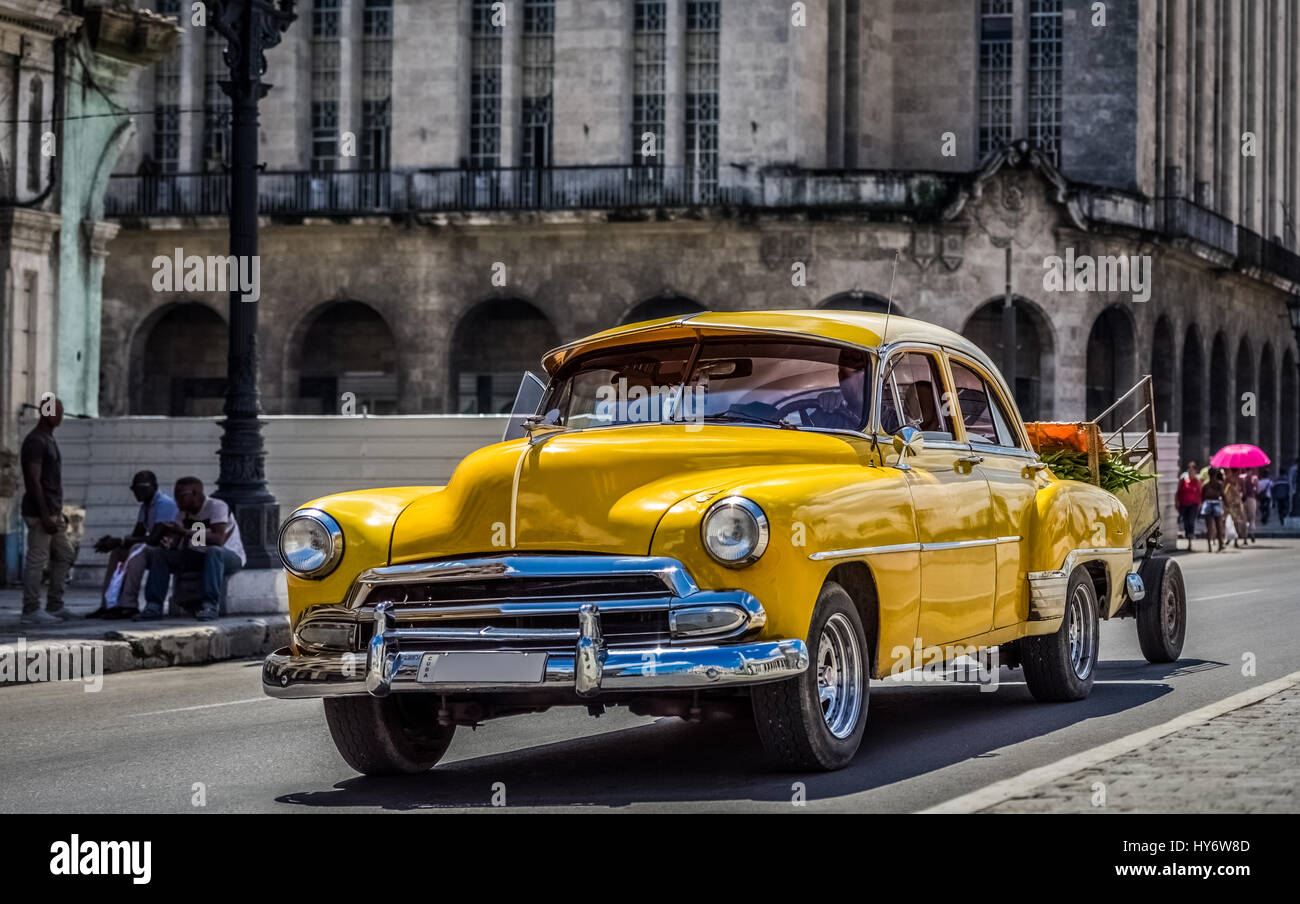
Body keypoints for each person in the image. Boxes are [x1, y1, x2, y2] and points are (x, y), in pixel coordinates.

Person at [138, 477, 246, 621]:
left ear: (195, 494)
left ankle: (210, 606)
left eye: (181, 497)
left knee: (214, 551)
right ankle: (153, 606)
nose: (177, 501)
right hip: (198, 554)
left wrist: (184, 532)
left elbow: (218, 539)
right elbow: (178, 540)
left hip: (228, 556)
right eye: (175, 497)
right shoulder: (183, 512)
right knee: (160, 554)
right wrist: (169, 542)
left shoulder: (217, 506)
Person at [86, 471, 180, 620]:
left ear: (154, 486)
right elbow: (136, 534)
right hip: (151, 548)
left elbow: (154, 539)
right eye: (135, 488)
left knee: (137, 549)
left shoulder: (165, 504)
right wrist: (117, 543)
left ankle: (129, 604)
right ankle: (109, 604)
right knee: (119, 552)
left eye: (142, 487)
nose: (138, 491)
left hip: (164, 549)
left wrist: (121, 540)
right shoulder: (145, 506)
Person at [19, 399, 74, 624]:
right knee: (38, 559)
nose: (60, 416)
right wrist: (44, 514)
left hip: (52, 511)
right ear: (46, 413)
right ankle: (31, 609)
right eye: (56, 412)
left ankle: (55, 605)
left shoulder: (48, 439)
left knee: (65, 553)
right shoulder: (35, 441)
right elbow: (33, 480)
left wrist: (57, 512)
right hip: (40, 511)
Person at [811, 352, 869, 430]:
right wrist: (823, 406)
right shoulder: (831, 415)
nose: (849, 382)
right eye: (844, 376)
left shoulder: (888, 420)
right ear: (840, 378)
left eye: (858, 370)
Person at [1175, 460, 1201, 550]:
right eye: (1189, 468)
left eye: (1192, 469)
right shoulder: (1183, 480)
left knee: (1191, 521)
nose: (1190, 470)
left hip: (1194, 504)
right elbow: (1178, 492)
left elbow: (1199, 493)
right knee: (1185, 522)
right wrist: (1177, 502)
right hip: (1183, 504)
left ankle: (1190, 539)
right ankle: (1188, 538)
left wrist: (1199, 504)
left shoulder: (1197, 481)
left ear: (1195, 471)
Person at [1200, 467, 1227, 553]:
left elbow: (1202, 497)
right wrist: (1226, 504)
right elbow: (1223, 495)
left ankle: (1209, 546)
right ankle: (1220, 545)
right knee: (1218, 526)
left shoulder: (1206, 485)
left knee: (1209, 527)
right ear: (1216, 474)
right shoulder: (1219, 484)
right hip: (1216, 503)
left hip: (1207, 504)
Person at [1222, 468, 1247, 549]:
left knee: (1235, 521)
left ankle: (1235, 540)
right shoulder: (1228, 480)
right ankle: (1229, 539)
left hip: (1233, 503)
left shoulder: (1237, 480)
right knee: (1228, 521)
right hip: (1230, 503)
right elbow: (1224, 490)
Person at [1238, 468, 1260, 544]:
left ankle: (1245, 539)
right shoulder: (1254, 478)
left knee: (1244, 519)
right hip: (1251, 499)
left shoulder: (1240, 478)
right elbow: (1257, 490)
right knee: (1252, 518)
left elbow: (1239, 489)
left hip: (1242, 500)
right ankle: (1252, 532)